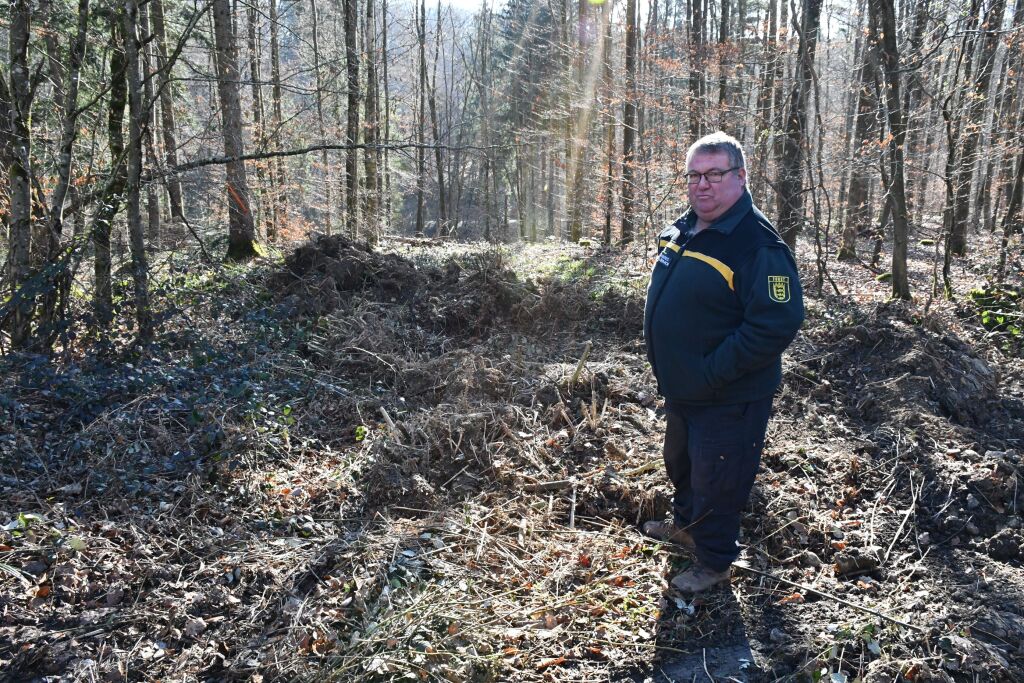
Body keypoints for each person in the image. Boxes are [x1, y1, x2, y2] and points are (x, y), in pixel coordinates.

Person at [642, 131, 804, 593]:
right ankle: (688, 527)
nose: (702, 185)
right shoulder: (685, 227)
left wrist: (712, 372)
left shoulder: (757, 246)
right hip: (684, 389)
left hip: (727, 394)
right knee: (684, 465)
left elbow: (775, 324)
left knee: (719, 477)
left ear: (740, 176)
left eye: (714, 174)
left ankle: (713, 562)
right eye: (694, 175)